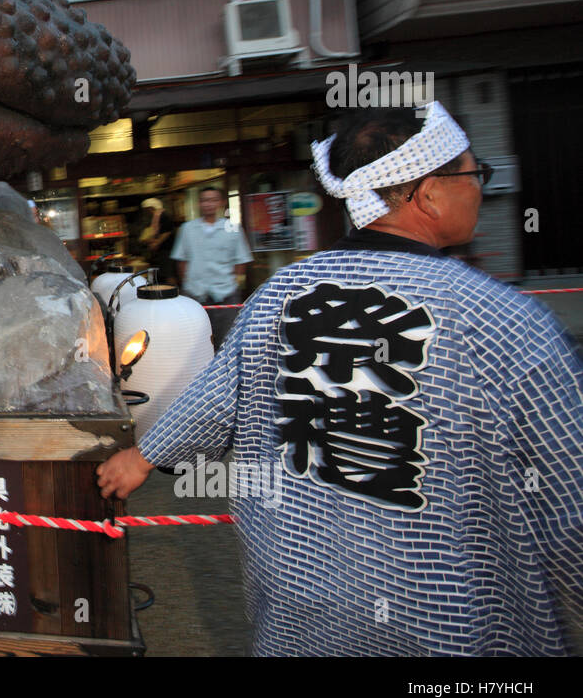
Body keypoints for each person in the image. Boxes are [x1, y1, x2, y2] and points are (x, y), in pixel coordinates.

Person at [97, 103, 583, 655]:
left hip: (302, 607)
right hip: (449, 627)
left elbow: (217, 394)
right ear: (428, 192)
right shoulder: (500, 320)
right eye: (475, 174)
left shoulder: (282, 293)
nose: (480, 188)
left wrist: (144, 456)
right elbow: (570, 505)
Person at [171, 186, 251, 344]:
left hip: (226, 292)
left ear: (220, 202)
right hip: (195, 292)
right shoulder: (187, 229)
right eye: (205, 200)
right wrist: (188, 283)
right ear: (199, 204)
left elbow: (241, 261)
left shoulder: (232, 228)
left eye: (213, 200)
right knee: (196, 339)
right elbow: (181, 260)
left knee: (228, 338)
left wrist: (234, 284)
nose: (209, 204)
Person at [136, 197, 176, 285]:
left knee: (168, 273)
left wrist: (156, 243)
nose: (146, 212)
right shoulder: (157, 216)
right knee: (165, 273)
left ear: (151, 208)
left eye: (146, 210)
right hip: (163, 250)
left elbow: (167, 232)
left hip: (167, 250)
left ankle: (173, 292)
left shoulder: (163, 215)